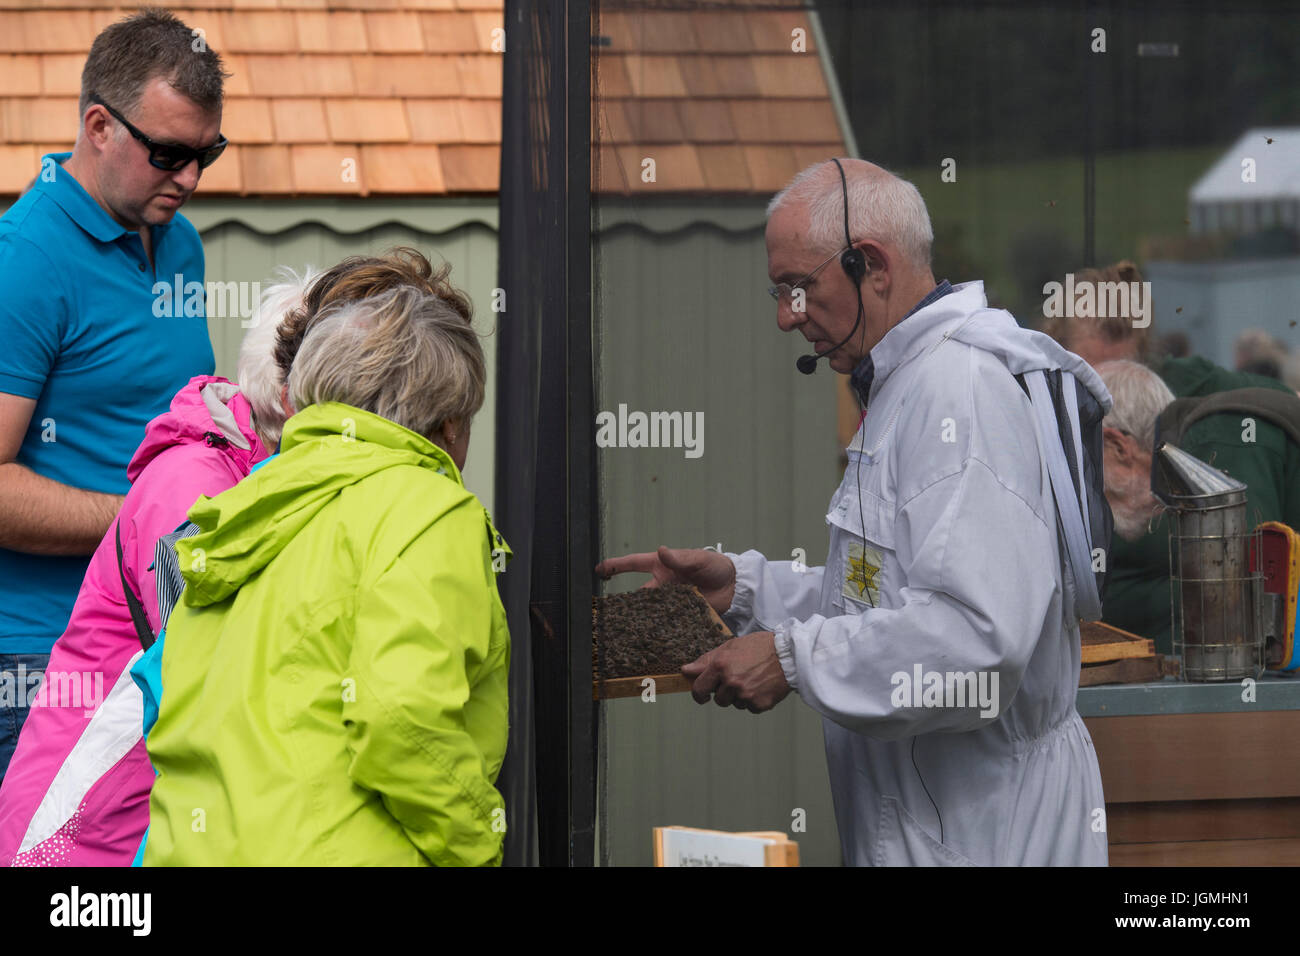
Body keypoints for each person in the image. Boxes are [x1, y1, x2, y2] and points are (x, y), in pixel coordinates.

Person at [599, 158, 1111, 866]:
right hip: (945, 818)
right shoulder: (909, 384)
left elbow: (978, 645)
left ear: (871, 263)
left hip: (987, 831)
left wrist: (792, 656)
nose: (786, 318)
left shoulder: (957, 393)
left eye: (799, 289)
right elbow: (888, 595)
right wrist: (746, 592)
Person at [143, 269, 510, 866]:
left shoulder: (243, 506)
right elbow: (401, 721)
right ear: (448, 425)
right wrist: (479, 846)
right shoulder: (430, 510)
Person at [0, 270, 318, 866]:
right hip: (77, 830)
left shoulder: (250, 473)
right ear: (299, 396)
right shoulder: (194, 486)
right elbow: (205, 673)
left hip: (138, 814)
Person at [0, 8, 227, 773]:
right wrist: (150, 523)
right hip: (39, 667)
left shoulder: (182, 243)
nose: (190, 179)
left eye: (207, 154)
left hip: (157, 644)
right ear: (98, 126)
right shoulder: (24, 260)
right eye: (168, 153)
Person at [1098, 359, 1300, 651]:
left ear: (1117, 446)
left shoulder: (1221, 437)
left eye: (1089, 468)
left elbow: (1246, 620)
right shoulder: (1198, 447)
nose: (1091, 491)